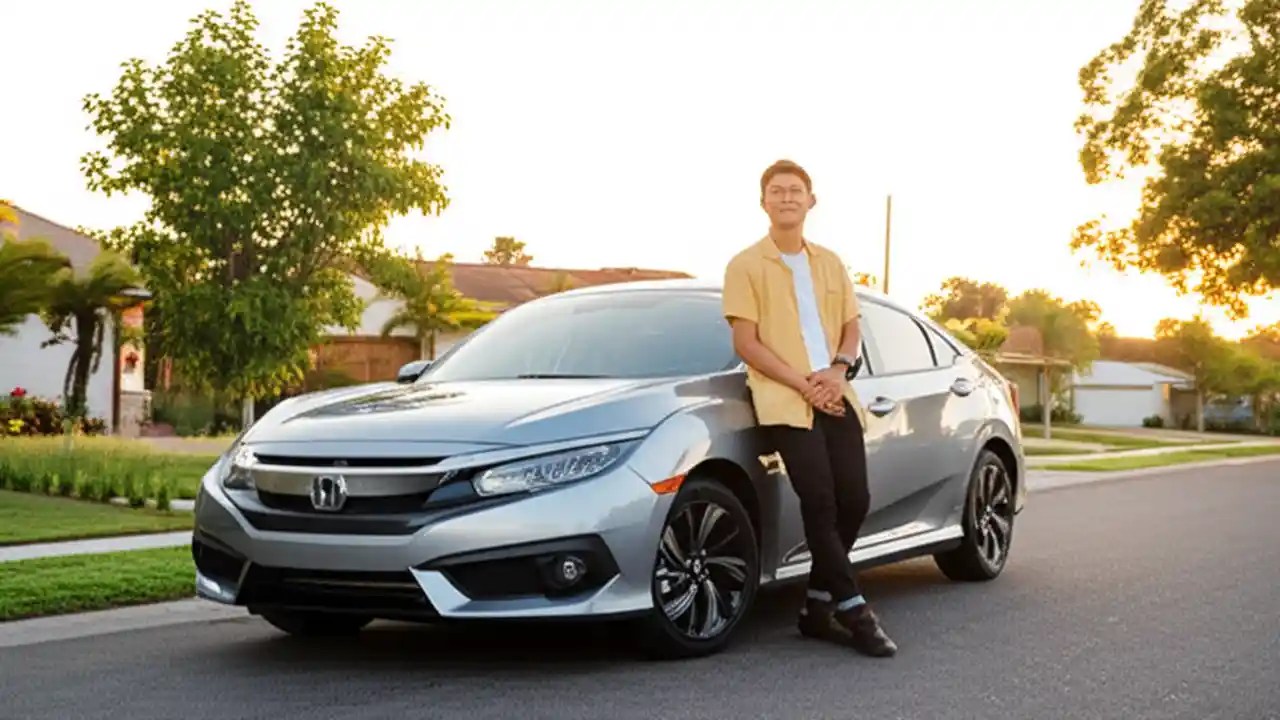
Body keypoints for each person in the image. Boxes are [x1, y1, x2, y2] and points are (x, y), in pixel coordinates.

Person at [721, 159, 897, 657]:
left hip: (836, 394)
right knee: (819, 500)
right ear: (763, 202)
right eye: (776, 191)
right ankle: (854, 608)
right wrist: (803, 383)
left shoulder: (830, 262)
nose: (786, 198)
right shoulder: (745, 265)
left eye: (795, 191)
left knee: (855, 498)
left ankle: (817, 604)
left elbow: (851, 327)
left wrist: (837, 373)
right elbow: (746, 341)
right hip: (784, 399)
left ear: (811, 201)